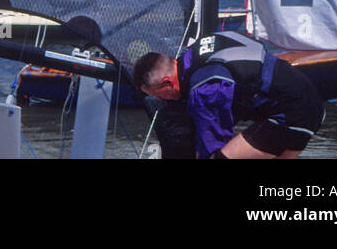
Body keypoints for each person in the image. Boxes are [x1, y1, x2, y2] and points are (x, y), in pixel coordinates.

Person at [133, 30, 324, 160]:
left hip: (295, 113)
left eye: (157, 94)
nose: (159, 99)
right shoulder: (195, 52)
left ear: (167, 83)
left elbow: (213, 145)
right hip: (305, 98)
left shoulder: (204, 91)